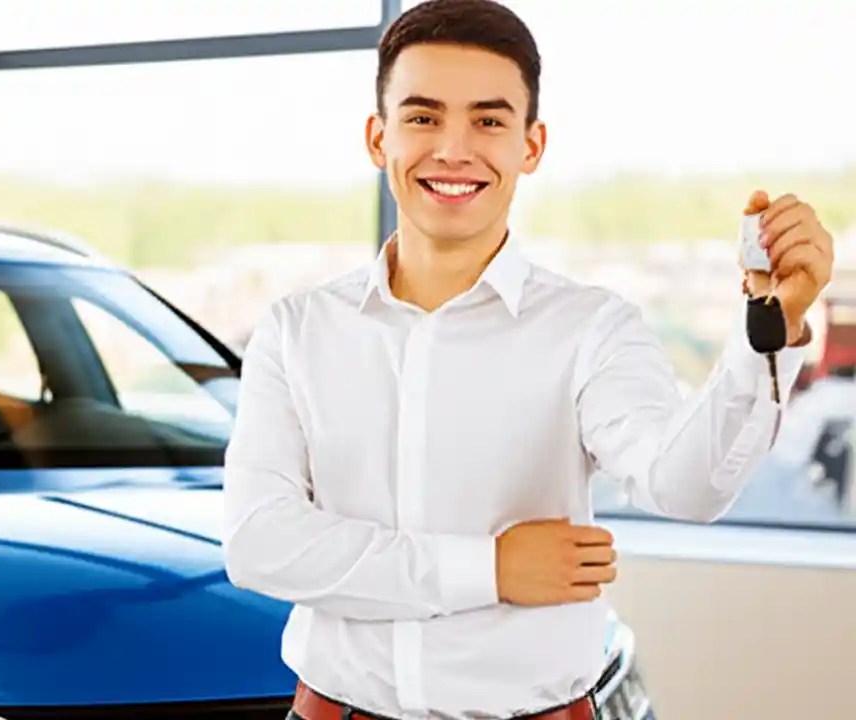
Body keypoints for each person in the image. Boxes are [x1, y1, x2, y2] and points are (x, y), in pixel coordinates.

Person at [220, 1, 836, 719]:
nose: (453, 149)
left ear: (531, 144)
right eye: (422, 117)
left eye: (488, 120)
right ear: (377, 136)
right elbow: (260, 543)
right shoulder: (297, 330)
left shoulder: (591, 330)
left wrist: (772, 329)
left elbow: (686, 487)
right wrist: (492, 569)